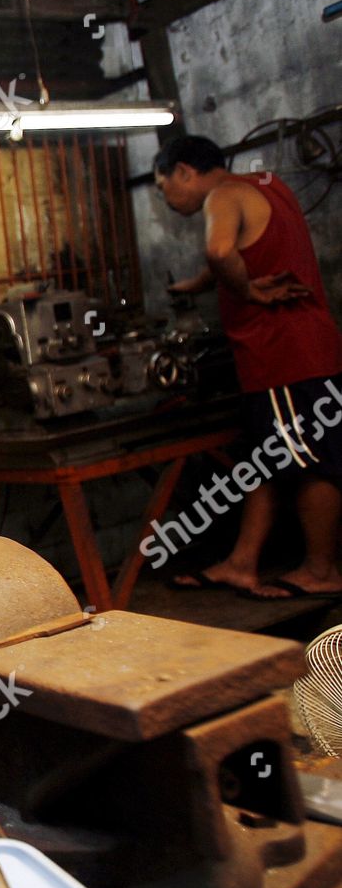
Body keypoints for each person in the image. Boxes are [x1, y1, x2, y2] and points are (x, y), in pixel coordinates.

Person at [157, 135, 342, 599]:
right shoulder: (267, 185)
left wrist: (250, 294)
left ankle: (321, 570)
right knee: (267, 459)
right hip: (304, 347)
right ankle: (242, 564)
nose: (167, 199)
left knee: (312, 462)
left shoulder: (221, 196)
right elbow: (242, 252)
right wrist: (196, 285)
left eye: (163, 188)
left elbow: (221, 252)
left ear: (184, 171)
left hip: (284, 352)